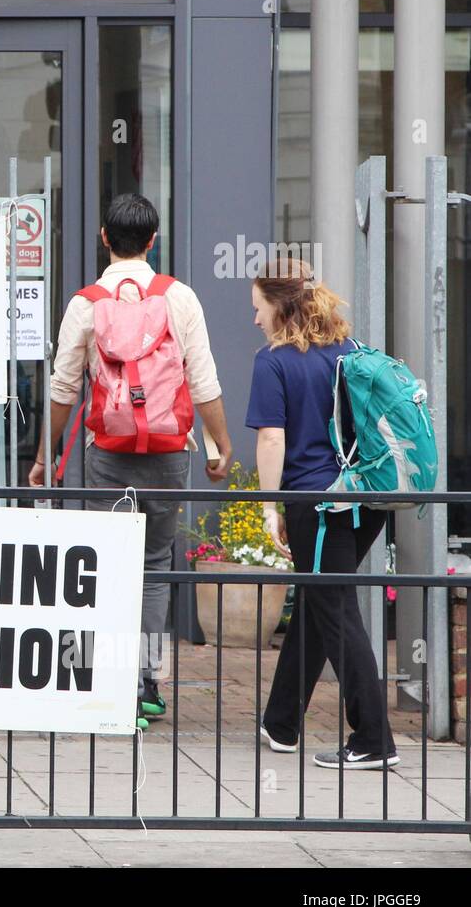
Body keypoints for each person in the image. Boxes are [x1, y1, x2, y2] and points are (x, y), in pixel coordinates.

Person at [31, 193, 233, 728]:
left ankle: (108, 683)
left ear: (104, 238)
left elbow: (63, 387)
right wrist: (219, 445)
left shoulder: (86, 302)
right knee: (155, 565)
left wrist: (44, 454)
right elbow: (204, 380)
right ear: (151, 241)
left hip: (109, 457)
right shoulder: (179, 299)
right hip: (169, 453)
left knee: (106, 565)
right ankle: (145, 683)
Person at [246, 258, 397, 769]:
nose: (254, 318)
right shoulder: (349, 351)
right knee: (319, 602)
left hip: (318, 502)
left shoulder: (273, 361)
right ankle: (282, 723)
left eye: (258, 307)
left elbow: (271, 438)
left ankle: (374, 738)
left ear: (280, 307)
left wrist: (271, 509)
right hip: (364, 499)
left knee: (335, 612)